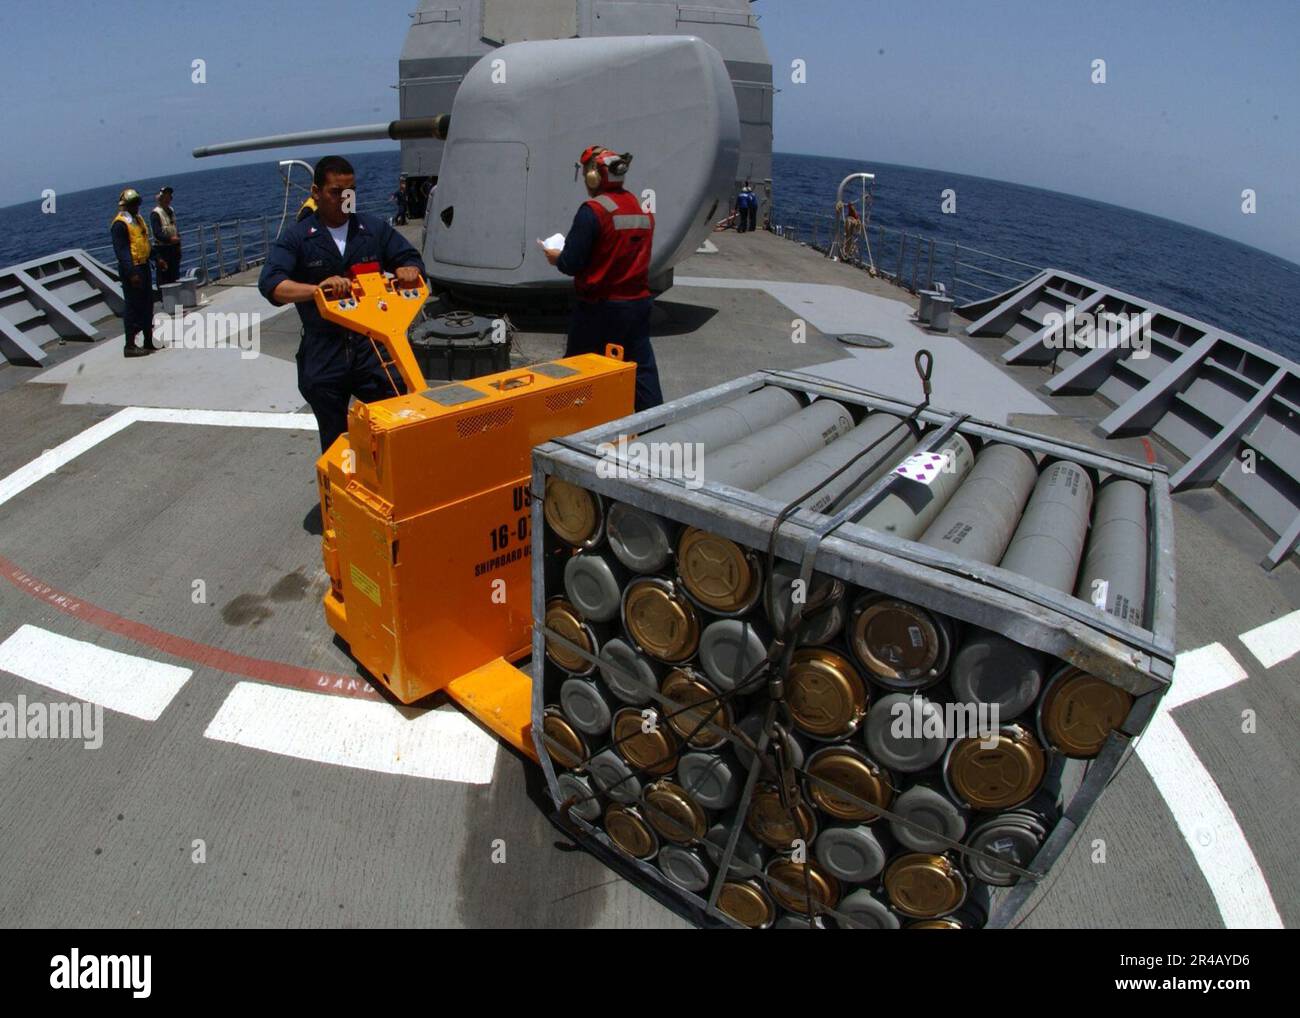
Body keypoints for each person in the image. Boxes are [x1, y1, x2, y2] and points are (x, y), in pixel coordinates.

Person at [259, 155, 427, 452]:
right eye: (336, 192)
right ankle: (340, 493)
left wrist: (408, 268)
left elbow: (409, 258)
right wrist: (315, 290)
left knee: (392, 425)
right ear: (315, 192)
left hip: (370, 348)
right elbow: (272, 284)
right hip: (325, 351)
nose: (344, 198)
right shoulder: (298, 238)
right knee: (337, 440)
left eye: (350, 191)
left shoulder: (372, 230)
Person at [543, 145, 663, 412]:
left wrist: (556, 257)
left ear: (595, 176)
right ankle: (655, 430)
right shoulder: (640, 208)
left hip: (599, 308)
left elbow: (571, 263)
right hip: (638, 305)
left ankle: (569, 429)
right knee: (641, 372)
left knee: (575, 370)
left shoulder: (593, 211)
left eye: (587, 171)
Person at [110, 188, 158, 357]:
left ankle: (148, 340)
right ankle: (129, 345)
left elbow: (143, 242)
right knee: (132, 306)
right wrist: (132, 273)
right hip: (133, 269)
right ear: (125, 205)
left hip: (144, 266)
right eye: (132, 204)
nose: (136, 207)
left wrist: (156, 258)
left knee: (147, 304)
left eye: (137, 203)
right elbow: (122, 251)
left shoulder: (137, 220)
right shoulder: (120, 224)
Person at [150, 186, 181, 289]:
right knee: (164, 280)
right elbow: (157, 233)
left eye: (169, 197)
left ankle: (178, 305)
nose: (168, 199)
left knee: (175, 278)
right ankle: (167, 303)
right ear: (160, 198)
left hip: (174, 249)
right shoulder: (156, 213)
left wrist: (178, 245)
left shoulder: (171, 210)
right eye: (165, 197)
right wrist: (169, 239)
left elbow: (175, 227)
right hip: (162, 250)